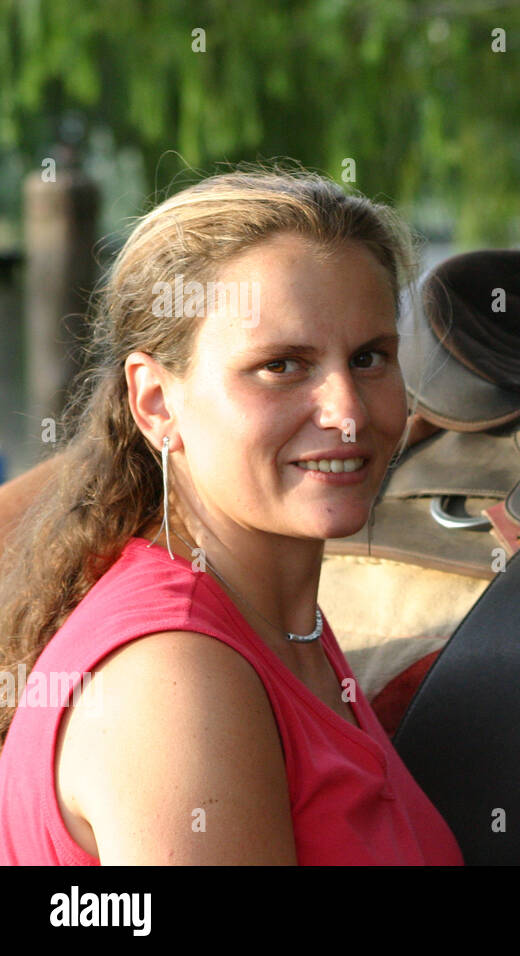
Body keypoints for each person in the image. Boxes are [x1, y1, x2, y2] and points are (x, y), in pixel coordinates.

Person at [0, 167, 463, 865]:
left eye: (370, 358)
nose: (347, 412)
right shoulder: (174, 682)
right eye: (282, 366)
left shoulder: (271, 618)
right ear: (156, 400)